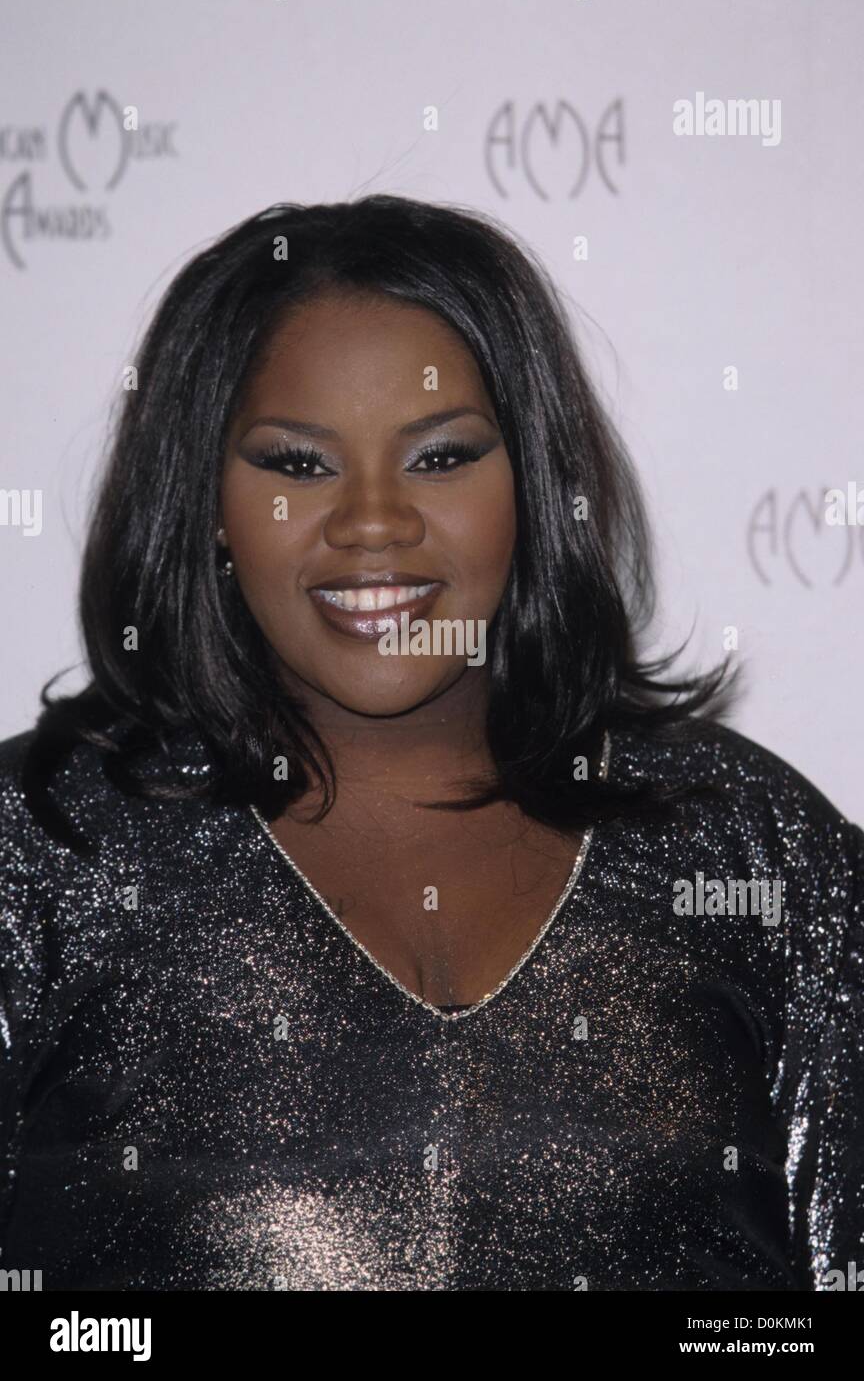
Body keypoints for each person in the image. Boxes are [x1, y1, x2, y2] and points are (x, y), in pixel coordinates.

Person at [0, 195, 861, 1291]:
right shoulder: (38, 850)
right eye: (297, 466)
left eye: (442, 457)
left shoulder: (758, 851)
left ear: (536, 485)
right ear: (207, 503)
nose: (372, 522)